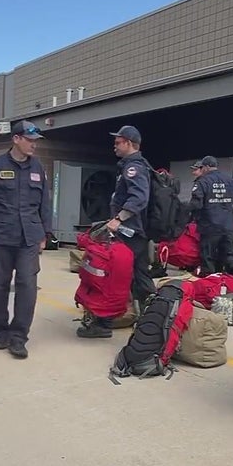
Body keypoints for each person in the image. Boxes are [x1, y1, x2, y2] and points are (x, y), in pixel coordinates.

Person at [0, 120, 53, 358]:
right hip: (0, 236)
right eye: (29, 141)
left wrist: (44, 234)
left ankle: (19, 337)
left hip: (29, 237)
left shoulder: (38, 168)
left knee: (27, 286)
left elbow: (45, 204)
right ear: (16, 139)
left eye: (35, 141)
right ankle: (1, 333)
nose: (33, 146)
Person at [76, 125, 157, 339]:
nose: (114, 146)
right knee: (139, 277)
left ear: (129, 143)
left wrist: (118, 219)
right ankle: (154, 318)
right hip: (136, 233)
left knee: (111, 275)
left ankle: (103, 324)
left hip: (129, 232)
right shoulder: (133, 166)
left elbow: (139, 198)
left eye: (118, 142)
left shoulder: (134, 167)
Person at [187, 155, 233, 282]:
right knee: (227, 257)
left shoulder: (202, 182)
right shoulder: (230, 180)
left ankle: (209, 286)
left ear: (206, 167)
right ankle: (230, 284)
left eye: (202, 167)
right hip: (228, 227)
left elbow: (196, 204)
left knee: (207, 258)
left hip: (209, 227)